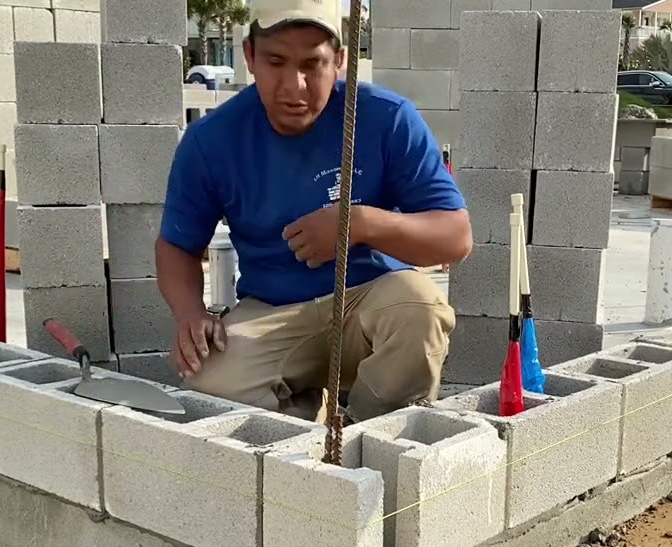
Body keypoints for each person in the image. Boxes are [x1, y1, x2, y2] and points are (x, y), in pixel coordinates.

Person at [155, 0, 472, 423]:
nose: (295, 85)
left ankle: (372, 435)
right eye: (276, 62)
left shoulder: (386, 119)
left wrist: (358, 222)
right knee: (207, 380)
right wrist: (190, 313)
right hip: (273, 310)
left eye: (312, 64)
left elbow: (455, 236)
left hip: (369, 302)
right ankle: (301, 423)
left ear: (340, 61)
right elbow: (177, 245)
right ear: (250, 56)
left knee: (422, 310)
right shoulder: (211, 140)